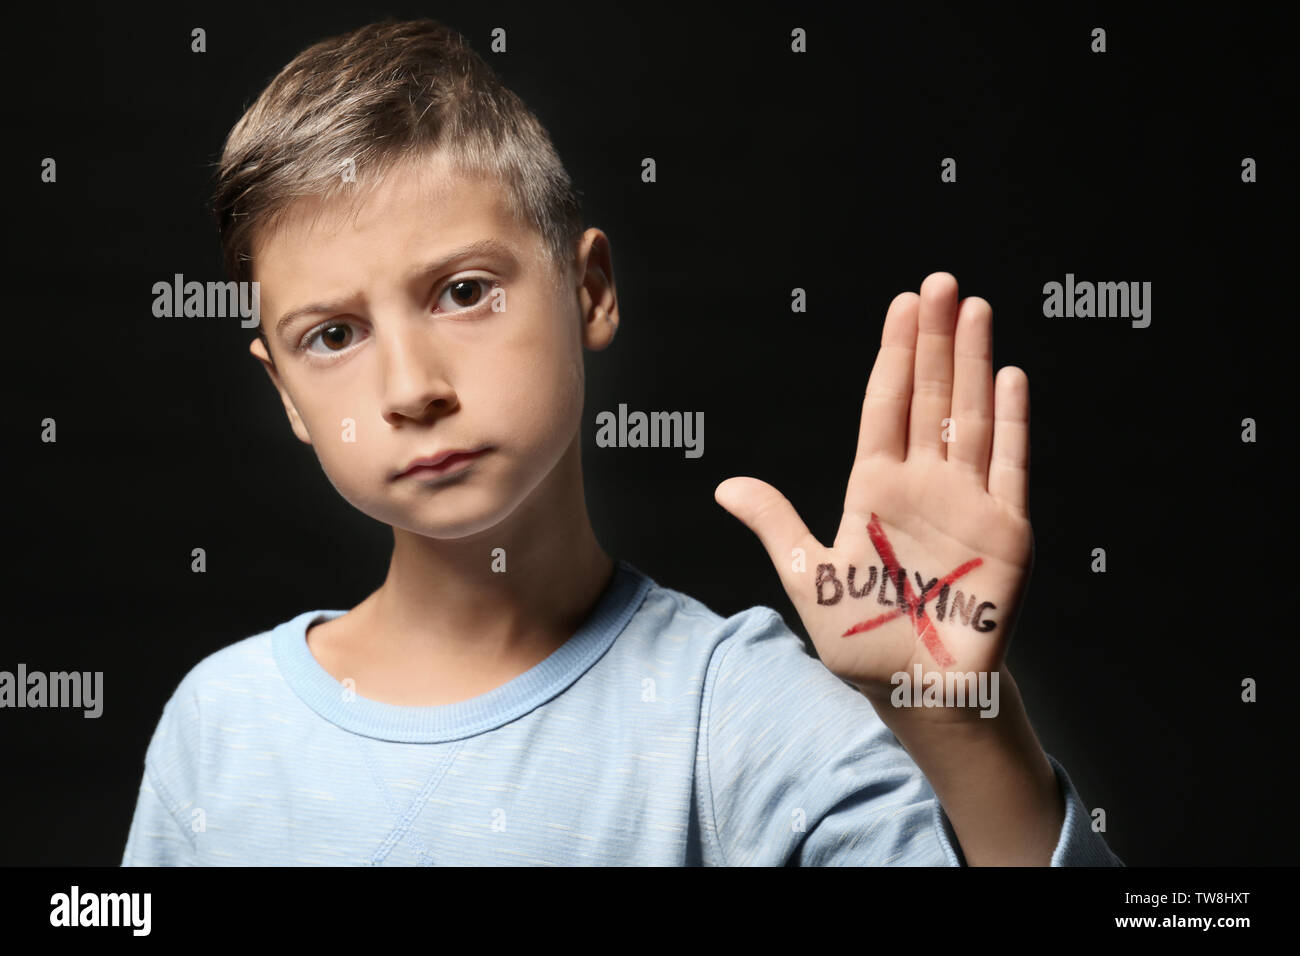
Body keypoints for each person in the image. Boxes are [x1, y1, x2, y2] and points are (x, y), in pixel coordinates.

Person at [121, 18, 1122, 866]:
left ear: (589, 289)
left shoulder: (734, 710)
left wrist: (958, 722)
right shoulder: (220, 728)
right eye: (333, 335)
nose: (411, 388)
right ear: (286, 392)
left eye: (464, 291)